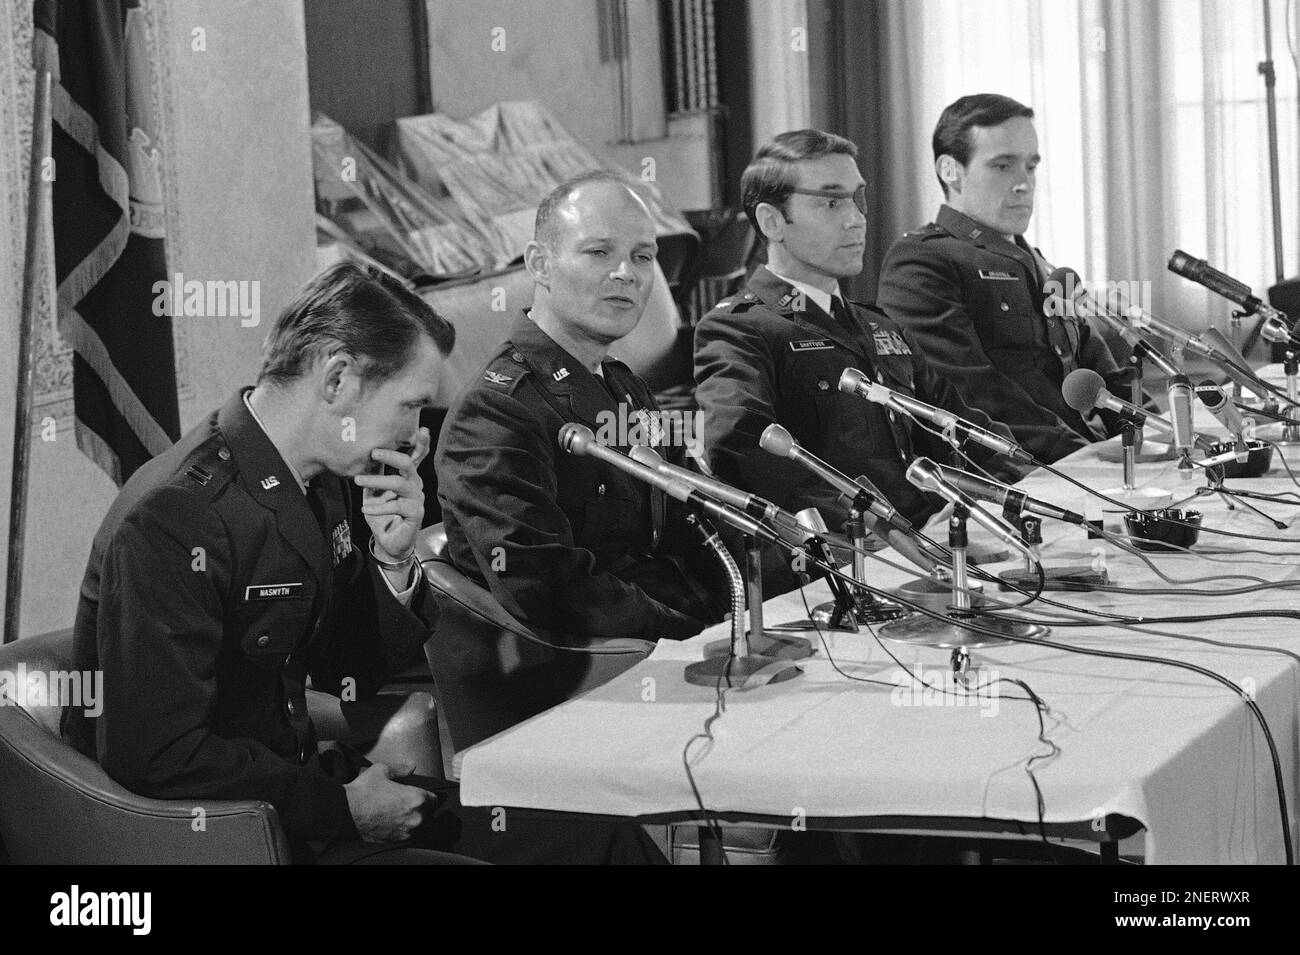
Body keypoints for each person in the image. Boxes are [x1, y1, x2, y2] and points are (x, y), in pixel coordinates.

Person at [64, 262, 661, 865]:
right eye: (410, 406)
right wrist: (340, 807)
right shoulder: (178, 514)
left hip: (305, 798)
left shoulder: (320, 477)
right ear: (338, 378)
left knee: (603, 838)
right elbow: (157, 754)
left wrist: (393, 561)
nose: (413, 435)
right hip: (240, 837)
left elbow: (351, 670)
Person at [694, 130, 1026, 593]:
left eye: (858, 199)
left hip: (942, 553)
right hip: (849, 575)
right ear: (772, 221)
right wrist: (895, 540)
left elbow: (957, 425)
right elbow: (749, 462)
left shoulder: (877, 325)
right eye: (831, 203)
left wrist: (1003, 492)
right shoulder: (741, 329)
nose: (856, 220)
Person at [436, 172, 727, 661]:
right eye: (599, 253)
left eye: (642, 256)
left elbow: (697, 512)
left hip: (680, 634)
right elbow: (546, 586)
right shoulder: (497, 411)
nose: (627, 274)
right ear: (540, 265)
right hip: (597, 671)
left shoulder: (623, 384)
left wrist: (767, 595)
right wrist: (697, 632)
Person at [876, 94, 1128, 464]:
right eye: (1002, 166)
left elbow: (1099, 371)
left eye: (1030, 166)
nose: (1024, 184)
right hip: (1028, 474)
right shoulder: (921, 263)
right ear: (950, 170)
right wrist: (1084, 460)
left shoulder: (1037, 262)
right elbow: (972, 398)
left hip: (1092, 462)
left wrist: (1151, 431)